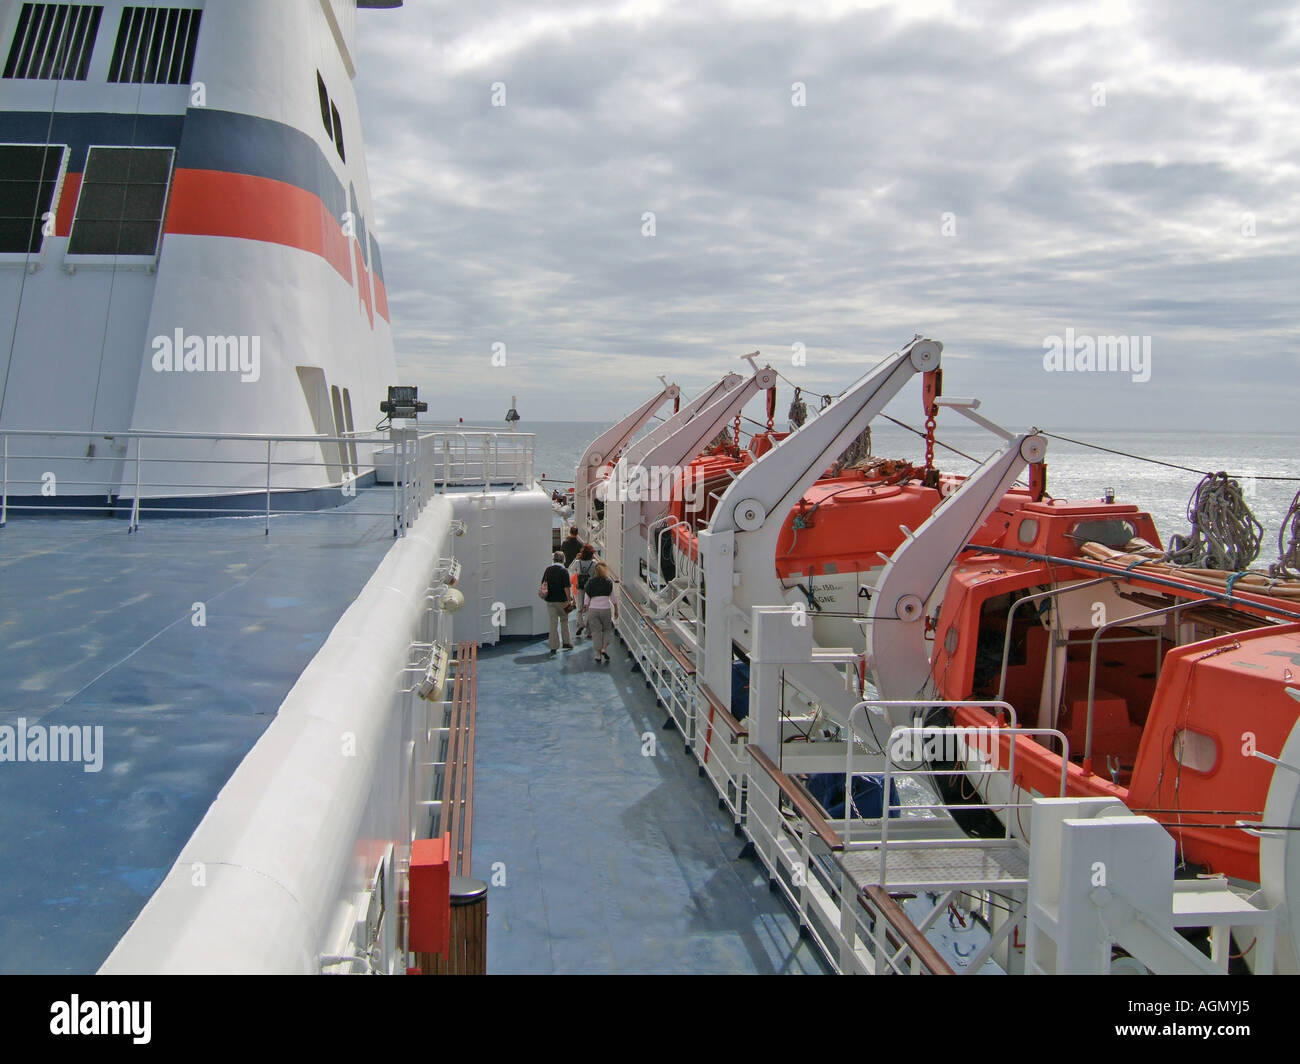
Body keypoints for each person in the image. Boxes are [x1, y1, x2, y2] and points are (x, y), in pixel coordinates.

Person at [539, 551, 574, 653]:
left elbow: (543, 583)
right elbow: (566, 587)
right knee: (564, 620)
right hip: (562, 600)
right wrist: (569, 599)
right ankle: (566, 642)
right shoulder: (564, 571)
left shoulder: (548, 570)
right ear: (563, 559)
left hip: (550, 600)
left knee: (553, 623)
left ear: (554, 559)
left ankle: (553, 646)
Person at [583, 562, 618, 664]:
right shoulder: (608, 582)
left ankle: (598, 655)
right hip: (605, 609)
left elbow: (587, 597)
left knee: (596, 632)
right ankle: (604, 648)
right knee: (607, 629)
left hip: (593, 609)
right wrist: (616, 609)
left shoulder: (590, 582)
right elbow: (613, 598)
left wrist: (585, 606)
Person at [571, 543, 597, 635]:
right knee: (589, 607)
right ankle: (589, 631)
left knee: (580, 607)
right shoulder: (594, 563)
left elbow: (571, 569)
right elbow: (595, 575)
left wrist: (576, 559)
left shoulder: (578, 562)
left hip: (580, 587)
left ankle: (580, 624)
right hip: (590, 588)